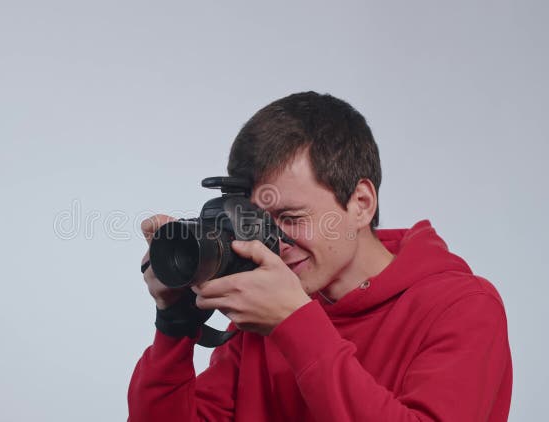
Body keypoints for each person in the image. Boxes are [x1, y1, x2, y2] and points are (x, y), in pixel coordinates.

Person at [127, 92, 512, 421]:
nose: (273, 240)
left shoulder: (463, 308)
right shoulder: (266, 313)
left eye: (291, 218)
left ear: (360, 203)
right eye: (257, 220)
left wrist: (295, 324)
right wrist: (175, 323)